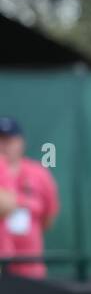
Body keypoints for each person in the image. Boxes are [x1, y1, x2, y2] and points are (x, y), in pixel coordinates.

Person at [0, 116, 60, 279]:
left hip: (30, 268)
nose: (3, 145)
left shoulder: (39, 174)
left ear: (21, 142)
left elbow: (49, 217)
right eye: (0, 140)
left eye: (8, 140)